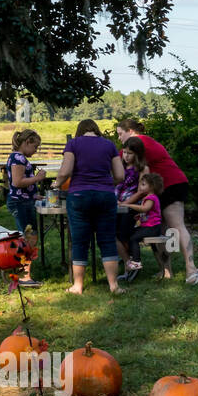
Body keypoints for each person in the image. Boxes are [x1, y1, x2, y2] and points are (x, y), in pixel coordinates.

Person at [116, 118, 198, 284]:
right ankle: (166, 270)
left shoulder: (139, 143)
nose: (119, 138)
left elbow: (115, 161)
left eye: (120, 134)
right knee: (157, 228)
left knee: (176, 225)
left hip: (171, 184)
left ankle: (191, 269)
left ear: (131, 132)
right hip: (158, 188)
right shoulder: (145, 141)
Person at [57, 119, 125, 294]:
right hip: (105, 195)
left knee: (80, 242)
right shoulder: (109, 145)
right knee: (108, 240)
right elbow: (119, 175)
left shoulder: (73, 144)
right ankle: (114, 286)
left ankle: (78, 286)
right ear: (96, 130)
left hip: (79, 195)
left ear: (80, 131)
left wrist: (57, 184)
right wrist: (107, 184)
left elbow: (65, 171)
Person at [4, 129, 46, 287]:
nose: (36, 151)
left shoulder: (18, 157)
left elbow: (19, 186)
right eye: (35, 147)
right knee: (28, 238)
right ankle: (24, 276)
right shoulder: (18, 157)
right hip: (20, 203)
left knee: (30, 237)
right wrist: (38, 178)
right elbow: (17, 182)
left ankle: (23, 273)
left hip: (24, 200)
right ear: (27, 142)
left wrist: (33, 195)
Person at [120, 172, 169, 278]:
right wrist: (139, 216)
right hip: (148, 226)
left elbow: (145, 208)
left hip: (152, 228)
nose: (140, 186)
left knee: (134, 238)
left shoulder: (151, 197)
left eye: (143, 184)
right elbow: (147, 212)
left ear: (151, 186)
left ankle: (136, 262)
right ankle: (131, 258)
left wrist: (129, 205)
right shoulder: (149, 197)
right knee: (130, 234)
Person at [114, 136, 146, 265]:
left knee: (124, 233)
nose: (126, 156)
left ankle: (132, 258)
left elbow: (141, 191)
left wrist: (125, 203)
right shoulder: (120, 168)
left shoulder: (142, 169)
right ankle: (125, 258)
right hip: (116, 204)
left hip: (131, 206)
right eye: (125, 152)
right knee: (114, 232)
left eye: (130, 153)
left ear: (137, 154)